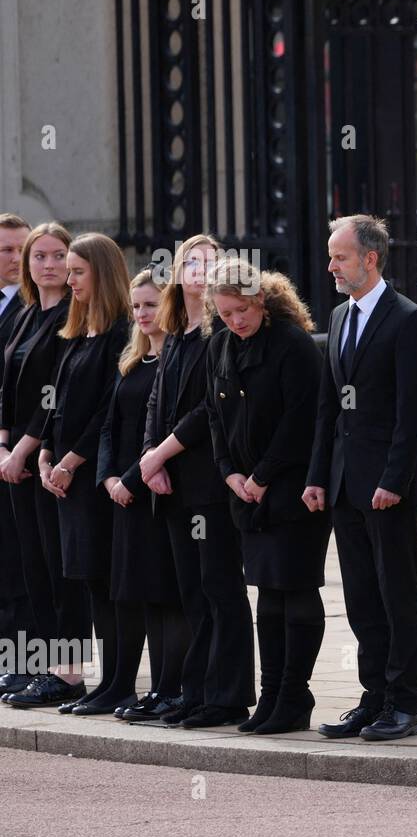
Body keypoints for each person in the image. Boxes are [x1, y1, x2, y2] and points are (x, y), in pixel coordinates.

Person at [306, 214, 417, 742]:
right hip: (343, 484)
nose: (331, 265)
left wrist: (394, 479)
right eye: (332, 257)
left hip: (388, 487)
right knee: (360, 596)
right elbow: (327, 408)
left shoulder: (408, 319)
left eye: (340, 257)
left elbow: (413, 413)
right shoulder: (338, 316)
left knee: (395, 593)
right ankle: (373, 695)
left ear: (370, 259)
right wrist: (317, 476)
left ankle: (404, 704)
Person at [206, 260, 330, 735]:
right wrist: (230, 474)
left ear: (261, 300)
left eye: (241, 310)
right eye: (225, 314)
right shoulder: (219, 346)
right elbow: (215, 418)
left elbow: (301, 420)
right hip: (246, 493)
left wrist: (261, 475)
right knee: (267, 595)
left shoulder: (291, 344)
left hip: (292, 489)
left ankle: (295, 694)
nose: (235, 321)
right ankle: (272, 692)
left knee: (294, 589)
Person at [140, 234, 254, 728]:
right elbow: (155, 403)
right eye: (191, 260)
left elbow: (208, 409)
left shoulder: (219, 334)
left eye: (209, 262)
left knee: (218, 587)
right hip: (173, 484)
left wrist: (161, 453)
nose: (198, 269)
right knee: (192, 590)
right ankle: (198, 689)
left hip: (208, 482)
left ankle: (227, 694)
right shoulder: (177, 333)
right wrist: (150, 455)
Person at [36, 233, 131, 714]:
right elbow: (59, 401)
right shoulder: (78, 330)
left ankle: (118, 683)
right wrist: (47, 453)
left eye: (77, 271)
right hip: (66, 477)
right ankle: (100, 683)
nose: (69, 279)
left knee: (106, 580)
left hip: (95, 478)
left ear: (102, 272)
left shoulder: (120, 331)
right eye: (68, 271)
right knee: (87, 580)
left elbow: (105, 412)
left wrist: (72, 461)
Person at [97, 270, 187, 722]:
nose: (142, 314)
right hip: (125, 493)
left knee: (166, 592)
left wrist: (132, 479)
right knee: (143, 595)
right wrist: (110, 477)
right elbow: (111, 427)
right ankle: (152, 688)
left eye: (150, 304)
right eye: (135, 306)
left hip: (156, 490)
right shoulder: (131, 361)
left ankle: (173, 687)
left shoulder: (175, 359)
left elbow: (165, 430)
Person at [0, 223, 77, 707]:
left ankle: (66, 671)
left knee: (58, 570)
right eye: (39, 257)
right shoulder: (27, 314)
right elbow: (8, 390)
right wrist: (3, 446)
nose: (48, 265)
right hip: (14, 461)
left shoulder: (71, 317)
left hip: (45, 461)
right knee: (29, 568)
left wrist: (24, 450)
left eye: (58, 256)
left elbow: (54, 399)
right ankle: (34, 663)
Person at [0, 214, 32, 694]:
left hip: (18, 454)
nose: (14, 260)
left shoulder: (37, 308)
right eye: (6, 250)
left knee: (22, 564)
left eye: (18, 250)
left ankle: (25, 661)